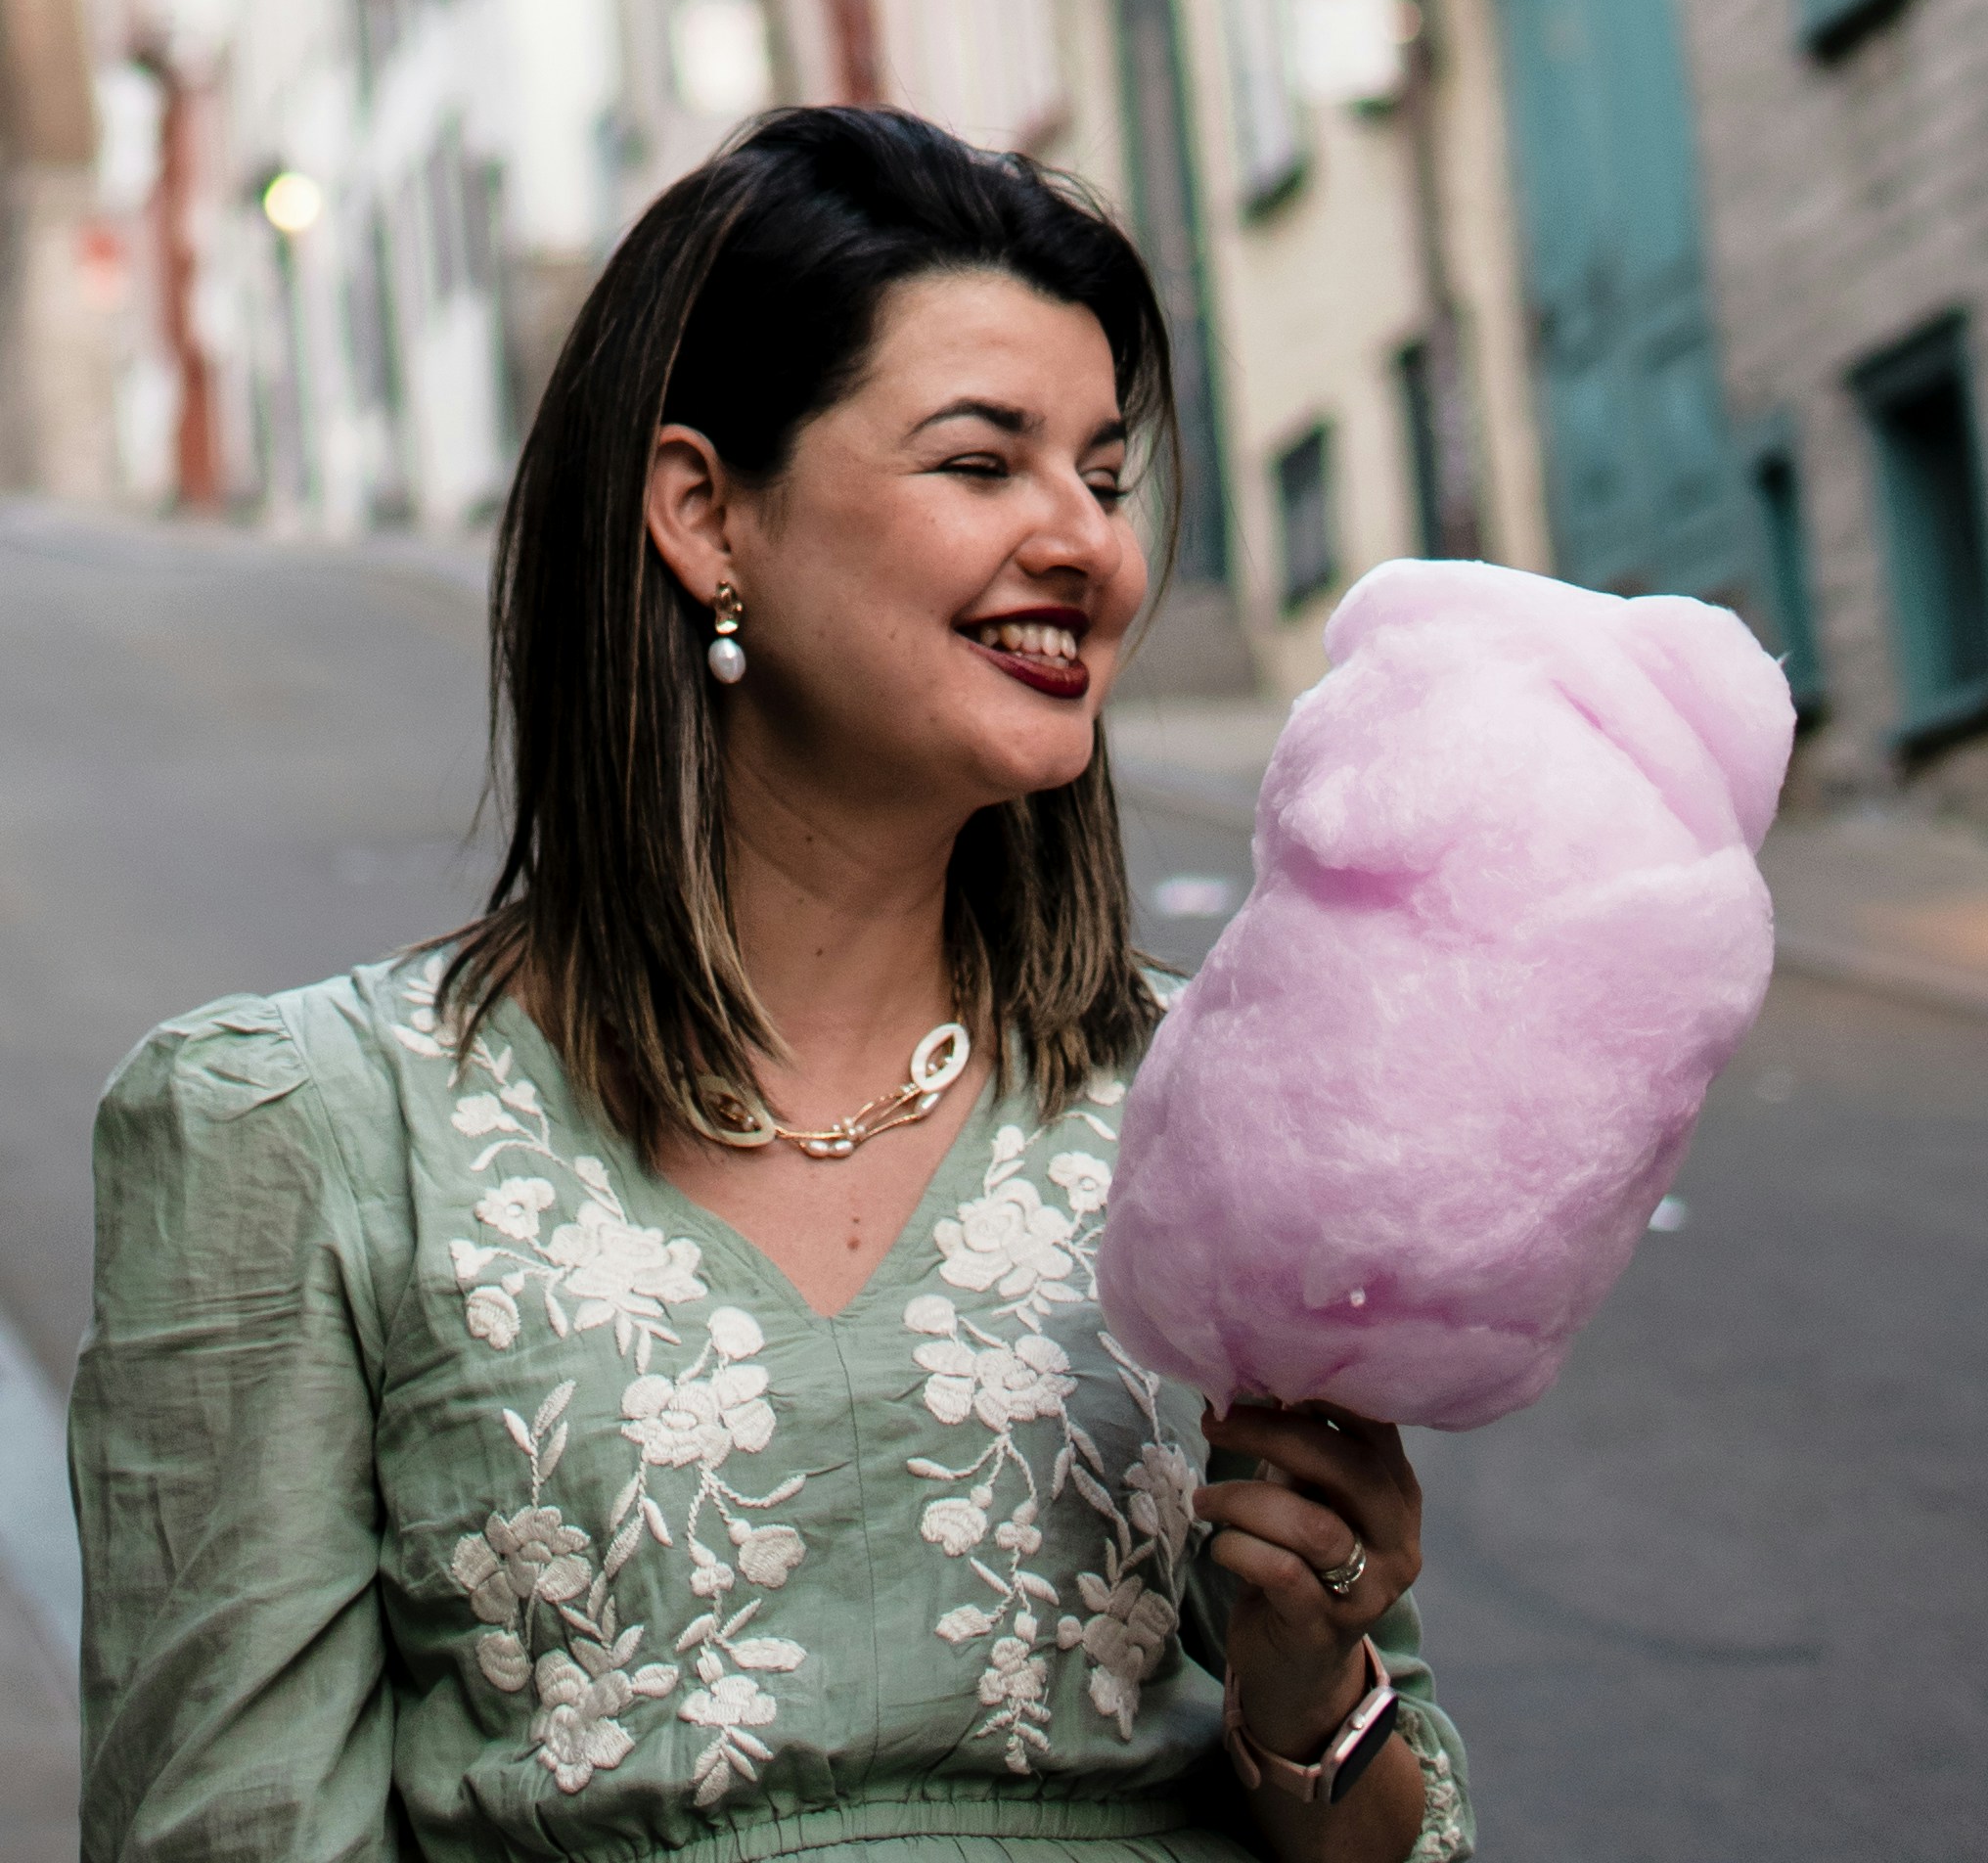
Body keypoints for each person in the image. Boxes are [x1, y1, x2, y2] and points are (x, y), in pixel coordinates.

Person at [72, 109, 1472, 1863]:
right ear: (702, 513)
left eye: (1105, 479)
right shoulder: (312, 1131)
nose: (1087, 546)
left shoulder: (1218, 1100)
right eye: (984, 464)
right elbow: (230, 1831)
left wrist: (1309, 1687)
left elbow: (1402, 1838)